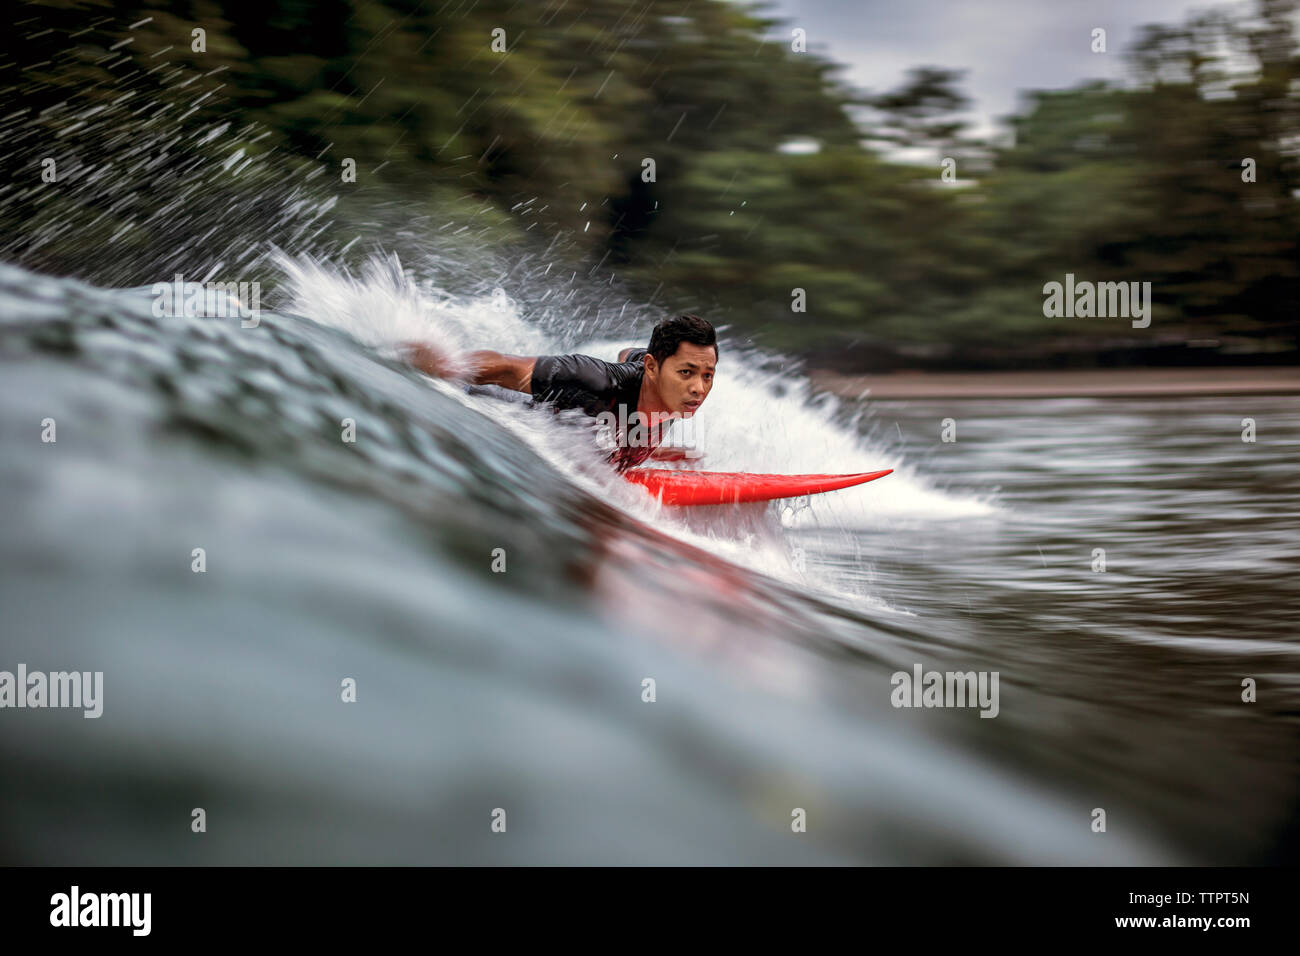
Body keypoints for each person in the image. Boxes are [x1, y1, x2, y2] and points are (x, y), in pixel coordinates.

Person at [402, 313, 717, 470]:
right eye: (687, 373)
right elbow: (508, 368)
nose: (698, 388)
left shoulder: (675, 394)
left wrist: (665, 454)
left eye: (707, 375)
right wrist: (446, 365)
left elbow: (630, 353)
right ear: (652, 367)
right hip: (505, 416)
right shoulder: (591, 380)